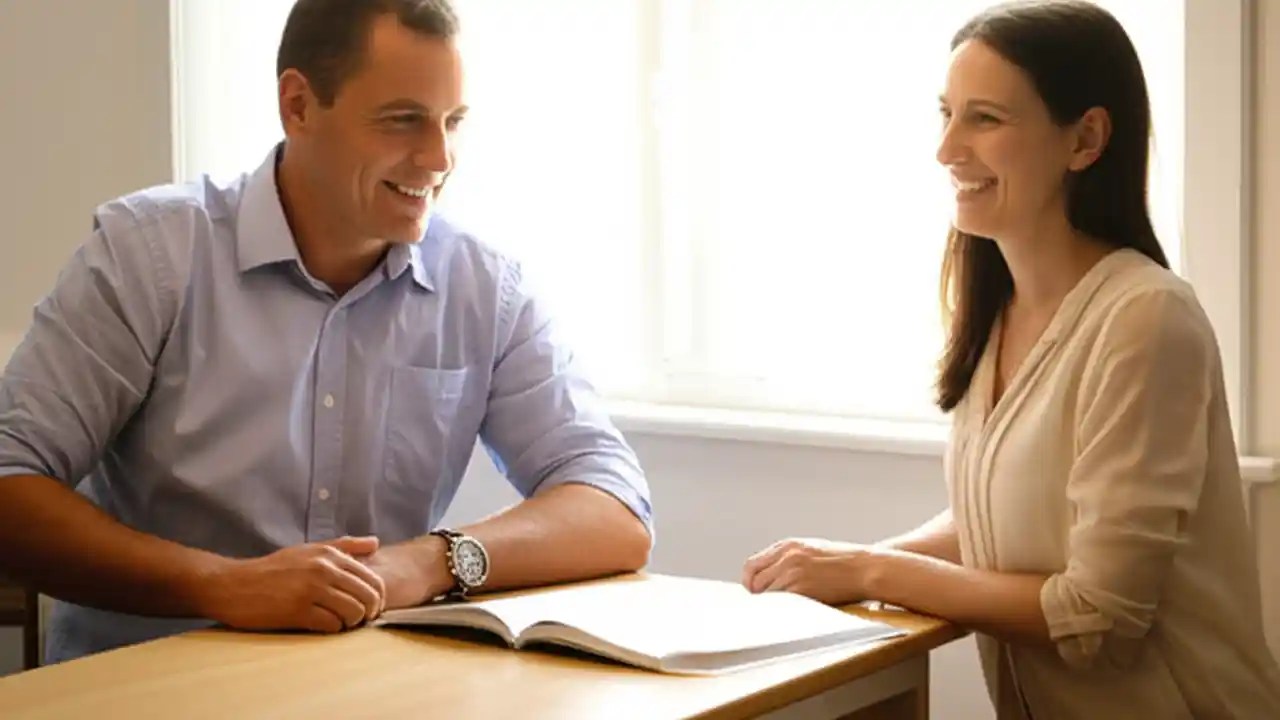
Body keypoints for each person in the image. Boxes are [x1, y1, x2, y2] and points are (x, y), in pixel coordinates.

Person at [0, 0, 651, 664]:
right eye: (403, 120)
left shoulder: (488, 288)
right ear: (299, 105)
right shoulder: (149, 255)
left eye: (454, 122)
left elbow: (614, 506)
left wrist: (434, 562)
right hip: (135, 691)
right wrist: (223, 585)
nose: (439, 157)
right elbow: (9, 485)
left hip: (363, 690)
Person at [741, 1, 1280, 716]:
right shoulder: (996, 314)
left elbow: (1095, 616)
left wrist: (873, 568)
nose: (947, 149)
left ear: (1085, 139)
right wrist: (841, 568)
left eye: (985, 119)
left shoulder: (1148, 319)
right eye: (947, 114)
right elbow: (1007, 522)